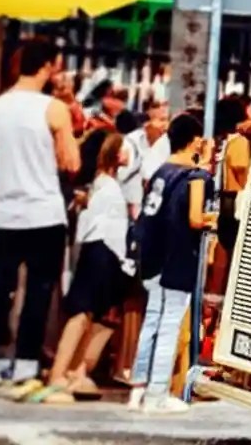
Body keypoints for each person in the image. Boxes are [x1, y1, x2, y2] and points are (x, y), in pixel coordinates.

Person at [0, 39, 80, 397]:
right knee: (38, 291)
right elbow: (72, 162)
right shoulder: (53, 108)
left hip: (5, 212)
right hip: (44, 211)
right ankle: (26, 367)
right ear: (47, 66)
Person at [29, 132, 132, 403]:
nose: (129, 153)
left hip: (105, 253)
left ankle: (73, 371)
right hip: (99, 250)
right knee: (80, 315)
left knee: (89, 316)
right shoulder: (105, 184)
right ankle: (58, 375)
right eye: (124, 149)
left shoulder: (106, 184)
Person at [127, 113, 216, 414]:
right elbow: (194, 218)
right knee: (168, 327)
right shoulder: (196, 177)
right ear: (194, 141)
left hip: (152, 257)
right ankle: (156, 395)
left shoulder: (161, 172)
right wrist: (214, 219)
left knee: (151, 322)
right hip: (176, 258)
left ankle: (137, 390)